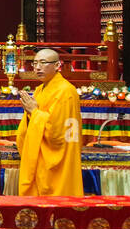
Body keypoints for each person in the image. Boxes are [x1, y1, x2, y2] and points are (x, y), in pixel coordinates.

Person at [17, 47, 84, 196]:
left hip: (60, 159)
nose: (38, 67)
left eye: (43, 63)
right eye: (35, 63)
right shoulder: (39, 90)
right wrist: (31, 114)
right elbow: (30, 126)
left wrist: (34, 112)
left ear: (57, 65)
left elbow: (58, 134)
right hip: (41, 155)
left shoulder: (66, 91)